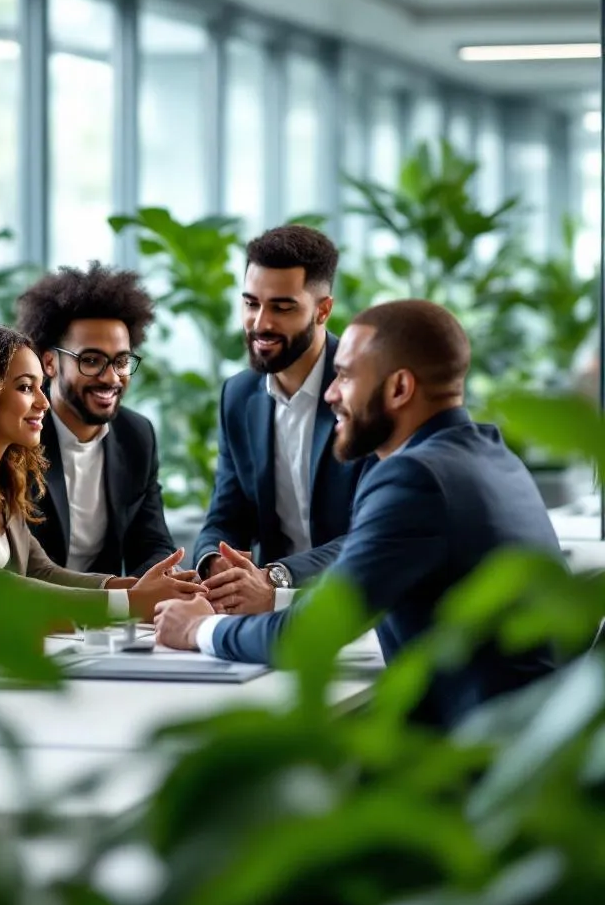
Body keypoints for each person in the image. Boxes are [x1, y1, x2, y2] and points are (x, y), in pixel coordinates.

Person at [156, 300, 560, 729]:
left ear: (399, 388)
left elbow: (313, 637)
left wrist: (200, 628)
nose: (330, 394)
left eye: (345, 376)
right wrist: (272, 597)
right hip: (528, 743)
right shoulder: (490, 454)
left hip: (473, 762)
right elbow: (364, 590)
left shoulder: (415, 477)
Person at [0, 325, 204, 620]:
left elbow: (42, 570)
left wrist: (135, 588)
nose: (43, 402)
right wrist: (128, 603)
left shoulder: (6, 475)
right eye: (26, 387)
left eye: (40, 386)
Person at [193, 225, 367, 613]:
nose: (260, 323)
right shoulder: (238, 396)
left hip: (354, 606)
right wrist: (215, 562)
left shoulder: (365, 392)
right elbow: (224, 516)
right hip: (265, 611)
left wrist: (276, 575)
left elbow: (374, 534)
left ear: (322, 310)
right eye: (251, 303)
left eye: (282, 307)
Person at [14, 262, 177, 577]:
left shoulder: (137, 435)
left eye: (121, 361)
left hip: (105, 621)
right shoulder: (18, 432)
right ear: (50, 363)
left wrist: (167, 578)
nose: (110, 377)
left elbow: (151, 543)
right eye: (91, 360)